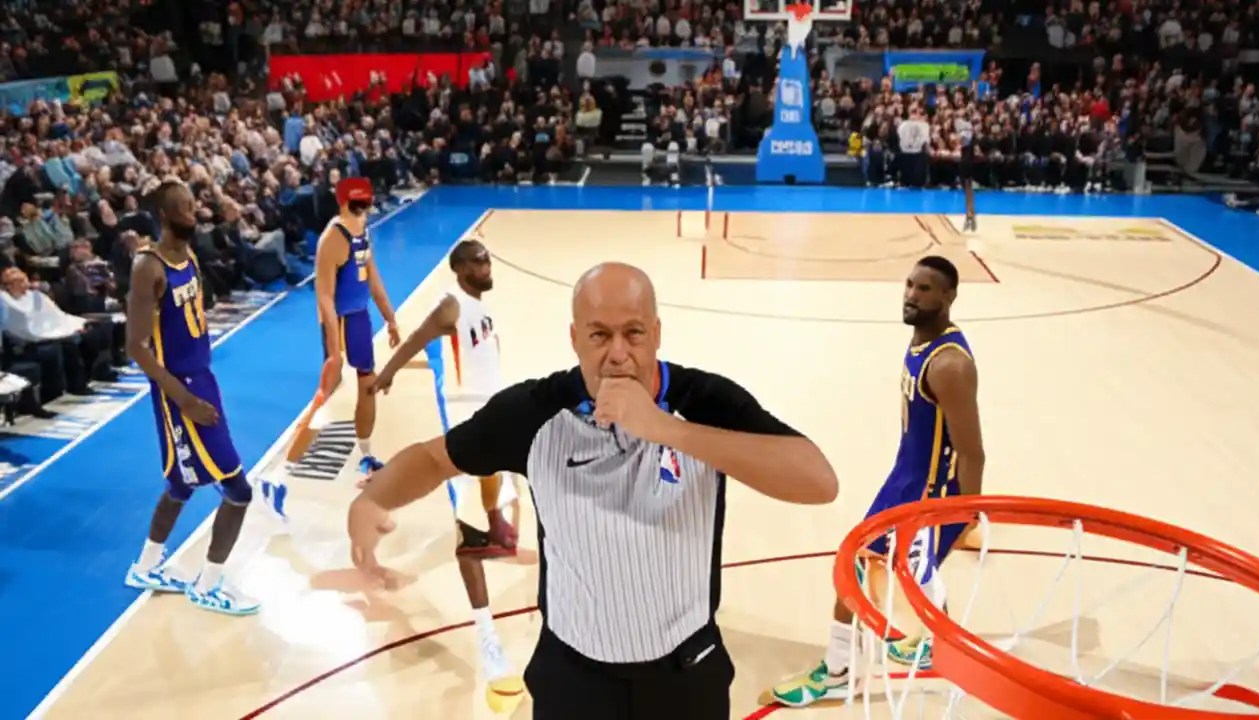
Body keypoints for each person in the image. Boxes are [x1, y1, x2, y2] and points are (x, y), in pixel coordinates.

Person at [347, 262, 838, 719]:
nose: (619, 353)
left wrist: (666, 428)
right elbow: (433, 458)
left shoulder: (706, 402)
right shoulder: (533, 415)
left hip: (686, 675)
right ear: (575, 338)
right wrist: (374, 499)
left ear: (657, 334)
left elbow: (818, 480)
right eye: (600, 335)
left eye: (634, 333)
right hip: (574, 680)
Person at [769, 255, 984, 707]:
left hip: (926, 497)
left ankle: (839, 670)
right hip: (906, 479)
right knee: (911, 573)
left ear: (948, 297)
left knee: (854, 569)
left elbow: (972, 451)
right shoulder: (924, 343)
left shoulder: (949, 366)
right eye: (909, 284)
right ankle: (936, 641)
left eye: (925, 289)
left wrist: (965, 513)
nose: (911, 294)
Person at [366, 237, 522, 691]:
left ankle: (492, 530)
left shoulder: (482, 308)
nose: (487, 265)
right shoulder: (451, 305)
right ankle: (487, 636)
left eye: (488, 258)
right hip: (468, 435)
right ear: (459, 269)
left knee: (505, 510)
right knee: (468, 535)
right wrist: (387, 374)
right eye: (478, 261)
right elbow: (417, 338)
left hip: (497, 423)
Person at [122, 180, 259, 616]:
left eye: (194, 204)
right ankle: (209, 583)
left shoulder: (190, 254)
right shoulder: (149, 266)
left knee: (181, 484)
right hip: (180, 390)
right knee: (238, 490)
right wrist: (183, 399)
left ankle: (145, 566)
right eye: (184, 207)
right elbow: (136, 346)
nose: (194, 211)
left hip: (203, 378)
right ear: (164, 215)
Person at [279, 176, 400, 493]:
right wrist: (334, 348)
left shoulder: (363, 230)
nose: (365, 207)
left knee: (367, 385)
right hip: (342, 320)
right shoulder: (332, 239)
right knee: (330, 385)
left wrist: (390, 318)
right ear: (344, 202)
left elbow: (373, 280)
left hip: (360, 317)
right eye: (360, 202)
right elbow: (325, 296)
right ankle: (291, 455)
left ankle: (366, 455)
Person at [956, 108, 978, 232]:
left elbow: (959, 141)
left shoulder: (966, 129)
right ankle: (970, 214)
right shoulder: (967, 129)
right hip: (966, 159)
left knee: (968, 189)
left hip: (967, 160)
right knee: (967, 190)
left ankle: (970, 215)